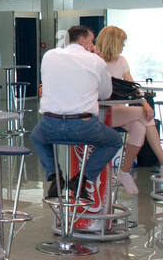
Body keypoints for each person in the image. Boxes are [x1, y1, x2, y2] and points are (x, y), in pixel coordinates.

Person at [31, 25, 122, 200]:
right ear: (83, 40)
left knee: (37, 137)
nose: (93, 44)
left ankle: (55, 176)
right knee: (114, 141)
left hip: (49, 124)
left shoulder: (49, 55)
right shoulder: (96, 61)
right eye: (91, 40)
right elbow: (105, 94)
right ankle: (82, 178)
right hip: (83, 126)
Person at [94, 26, 163, 194]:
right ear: (114, 43)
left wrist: (145, 103)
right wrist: (144, 107)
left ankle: (125, 171)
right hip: (100, 113)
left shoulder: (121, 61)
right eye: (122, 43)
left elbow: (132, 85)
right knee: (145, 116)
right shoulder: (94, 60)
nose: (123, 46)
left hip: (118, 112)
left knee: (140, 127)